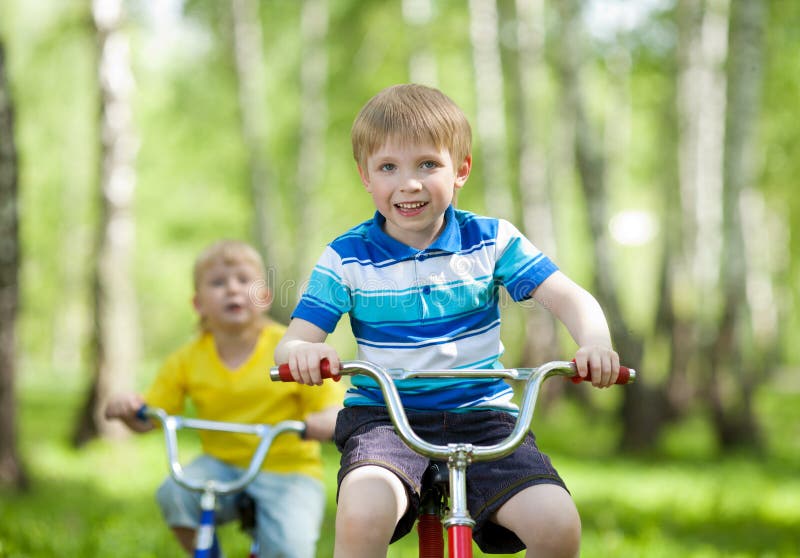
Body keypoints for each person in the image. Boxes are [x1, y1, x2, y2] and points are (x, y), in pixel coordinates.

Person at [274, 84, 621, 558]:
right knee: (363, 512)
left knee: (557, 524)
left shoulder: (491, 240)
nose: (409, 183)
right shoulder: (346, 258)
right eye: (389, 167)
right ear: (366, 177)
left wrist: (595, 342)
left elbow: (571, 298)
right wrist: (305, 353)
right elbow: (292, 342)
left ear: (461, 170)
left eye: (428, 165)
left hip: (487, 418)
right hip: (385, 420)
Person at [105, 239, 343, 558]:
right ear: (198, 303)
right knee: (175, 493)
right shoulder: (187, 358)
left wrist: (321, 422)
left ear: (263, 296)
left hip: (288, 468)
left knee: (289, 547)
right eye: (217, 283)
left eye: (244, 281)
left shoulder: (291, 348)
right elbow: (151, 417)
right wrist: (128, 411)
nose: (232, 290)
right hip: (220, 465)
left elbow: (333, 410)